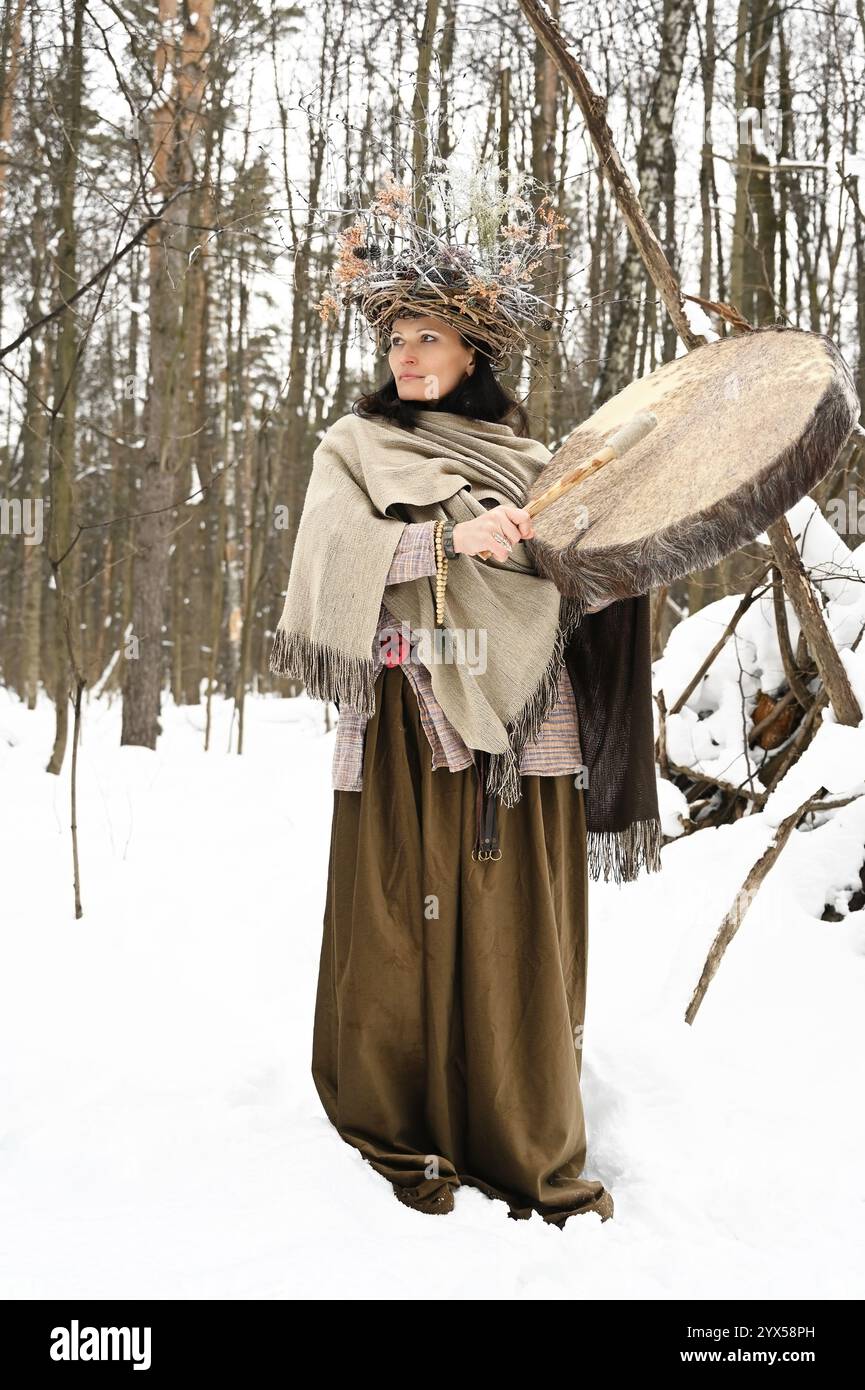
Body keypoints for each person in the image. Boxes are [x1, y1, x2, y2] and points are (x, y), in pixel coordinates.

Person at [270, 186, 662, 1226]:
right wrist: (448, 541)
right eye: (395, 339)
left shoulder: (533, 464)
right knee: (405, 918)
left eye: (428, 338)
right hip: (408, 717)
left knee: (508, 927)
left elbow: (572, 585)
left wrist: (623, 564)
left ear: (472, 353)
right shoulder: (356, 447)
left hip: (524, 726)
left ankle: (514, 1133)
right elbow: (327, 562)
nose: (406, 356)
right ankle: (403, 1119)